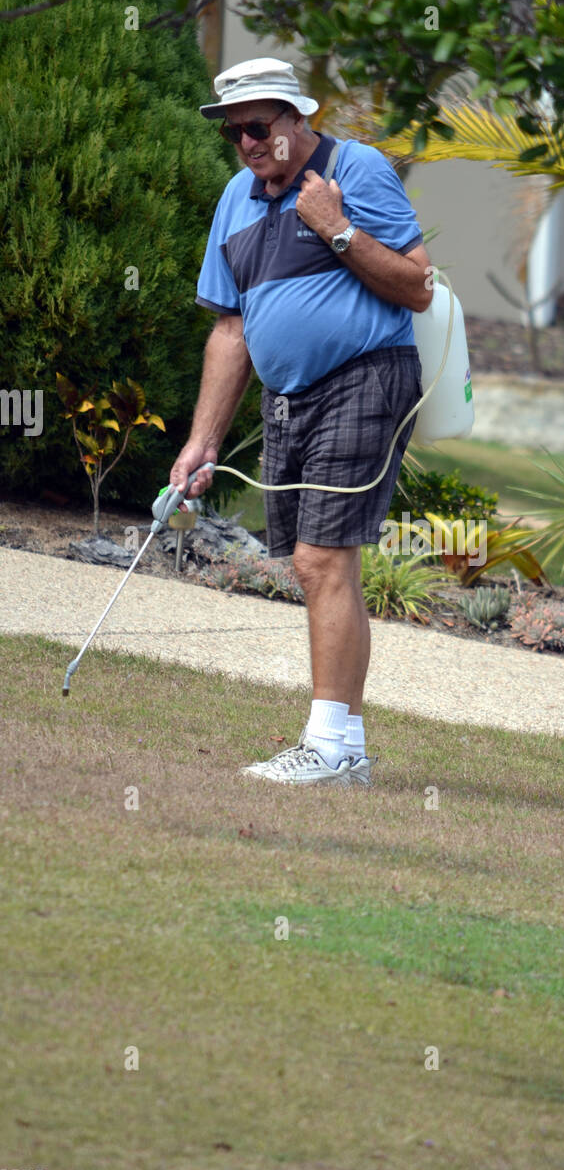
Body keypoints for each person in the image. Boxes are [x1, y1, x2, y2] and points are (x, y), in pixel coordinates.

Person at [169, 57, 433, 787]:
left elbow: (418, 286)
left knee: (322, 559)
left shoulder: (357, 170)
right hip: (287, 399)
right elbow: (231, 330)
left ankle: (327, 747)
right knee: (317, 565)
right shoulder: (236, 198)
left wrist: (337, 229)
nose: (247, 143)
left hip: (366, 377)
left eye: (259, 127)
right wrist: (202, 442)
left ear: (297, 117)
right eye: (233, 133)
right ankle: (346, 747)